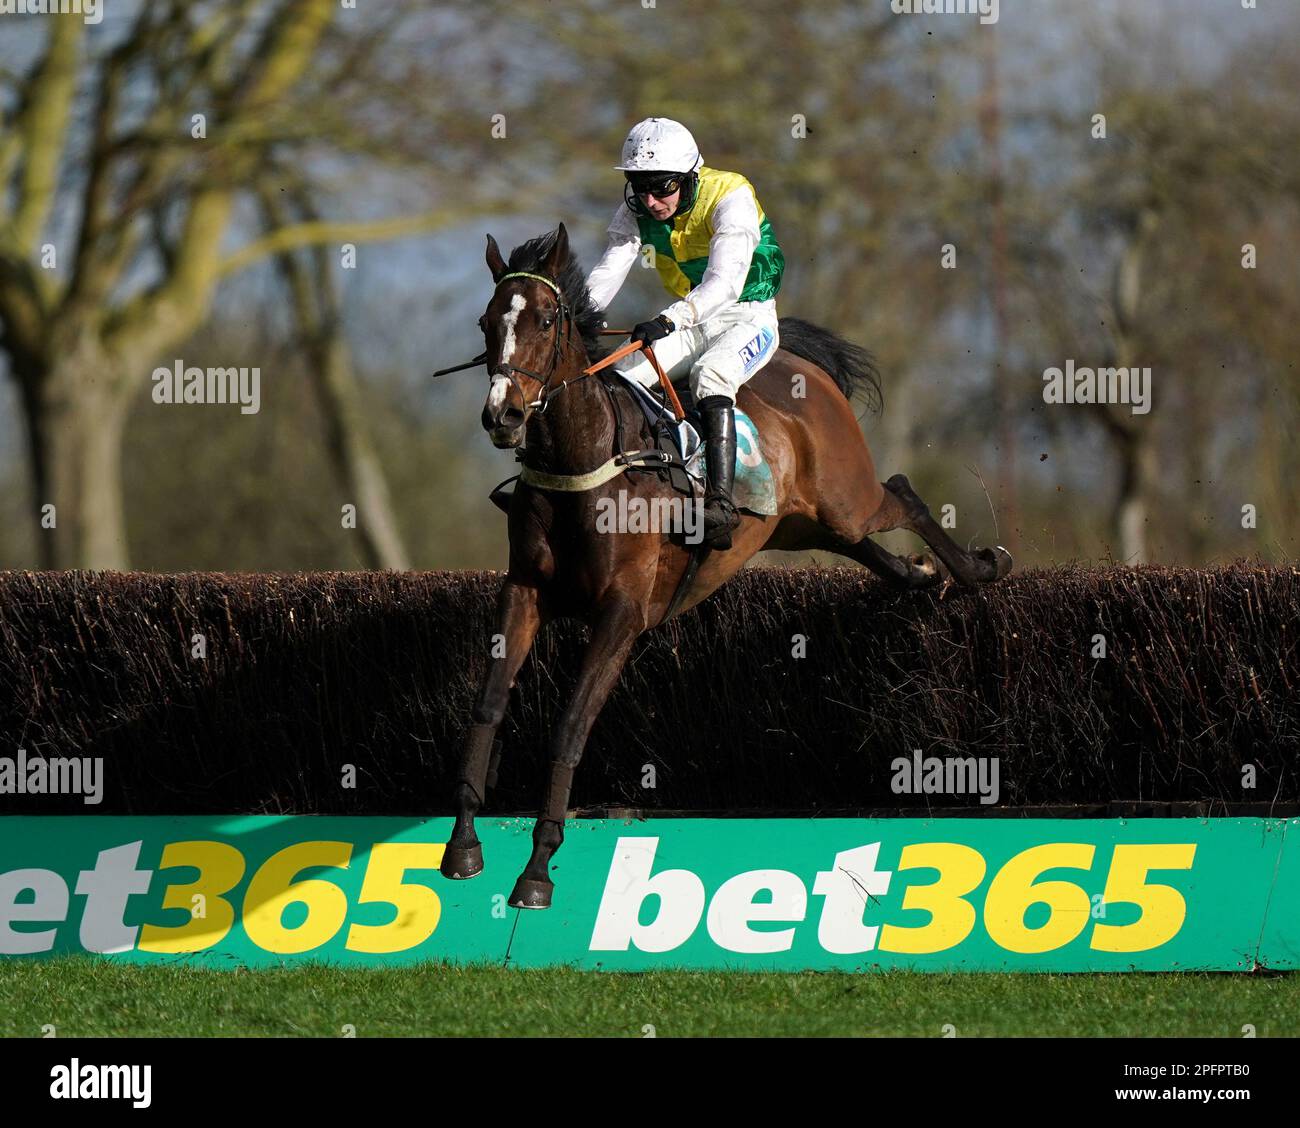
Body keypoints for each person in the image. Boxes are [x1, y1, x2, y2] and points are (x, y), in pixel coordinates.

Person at [585, 117, 785, 550]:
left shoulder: (731, 195)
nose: (652, 201)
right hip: (691, 318)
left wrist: (670, 319)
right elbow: (609, 269)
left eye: (663, 188)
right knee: (613, 377)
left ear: (690, 177)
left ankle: (721, 503)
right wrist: (580, 316)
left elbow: (726, 282)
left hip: (747, 316)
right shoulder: (638, 210)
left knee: (711, 375)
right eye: (640, 187)